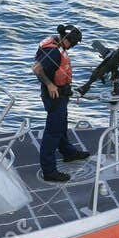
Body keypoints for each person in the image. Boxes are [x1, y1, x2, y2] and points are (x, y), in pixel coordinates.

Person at [32, 23, 88, 183]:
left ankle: (68, 152)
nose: (73, 47)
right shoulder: (54, 52)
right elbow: (36, 68)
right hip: (54, 95)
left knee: (61, 124)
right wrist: (50, 85)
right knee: (53, 131)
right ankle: (49, 171)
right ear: (67, 39)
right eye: (73, 43)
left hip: (60, 94)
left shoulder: (55, 42)